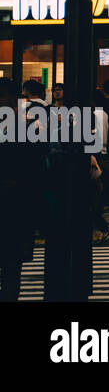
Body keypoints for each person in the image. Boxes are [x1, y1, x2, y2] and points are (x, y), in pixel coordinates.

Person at [0, 79, 40, 302]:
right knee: (11, 268)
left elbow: (33, 171)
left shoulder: (26, 129)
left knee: (11, 268)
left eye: (2, 96)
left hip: (15, 208)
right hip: (15, 205)